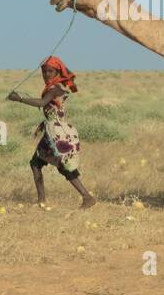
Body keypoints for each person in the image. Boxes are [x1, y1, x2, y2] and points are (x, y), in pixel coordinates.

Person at [6, 56, 97, 208]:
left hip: (57, 134)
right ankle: (42, 200)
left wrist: (19, 99)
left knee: (63, 167)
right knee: (37, 163)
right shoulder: (56, 87)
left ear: (57, 72)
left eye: (50, 71)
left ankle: (86, 197)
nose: (47, 74)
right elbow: (53, 111)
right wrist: (42, 125)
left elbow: (42, 103)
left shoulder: (55, 89)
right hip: (53, 131)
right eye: (44, 71)